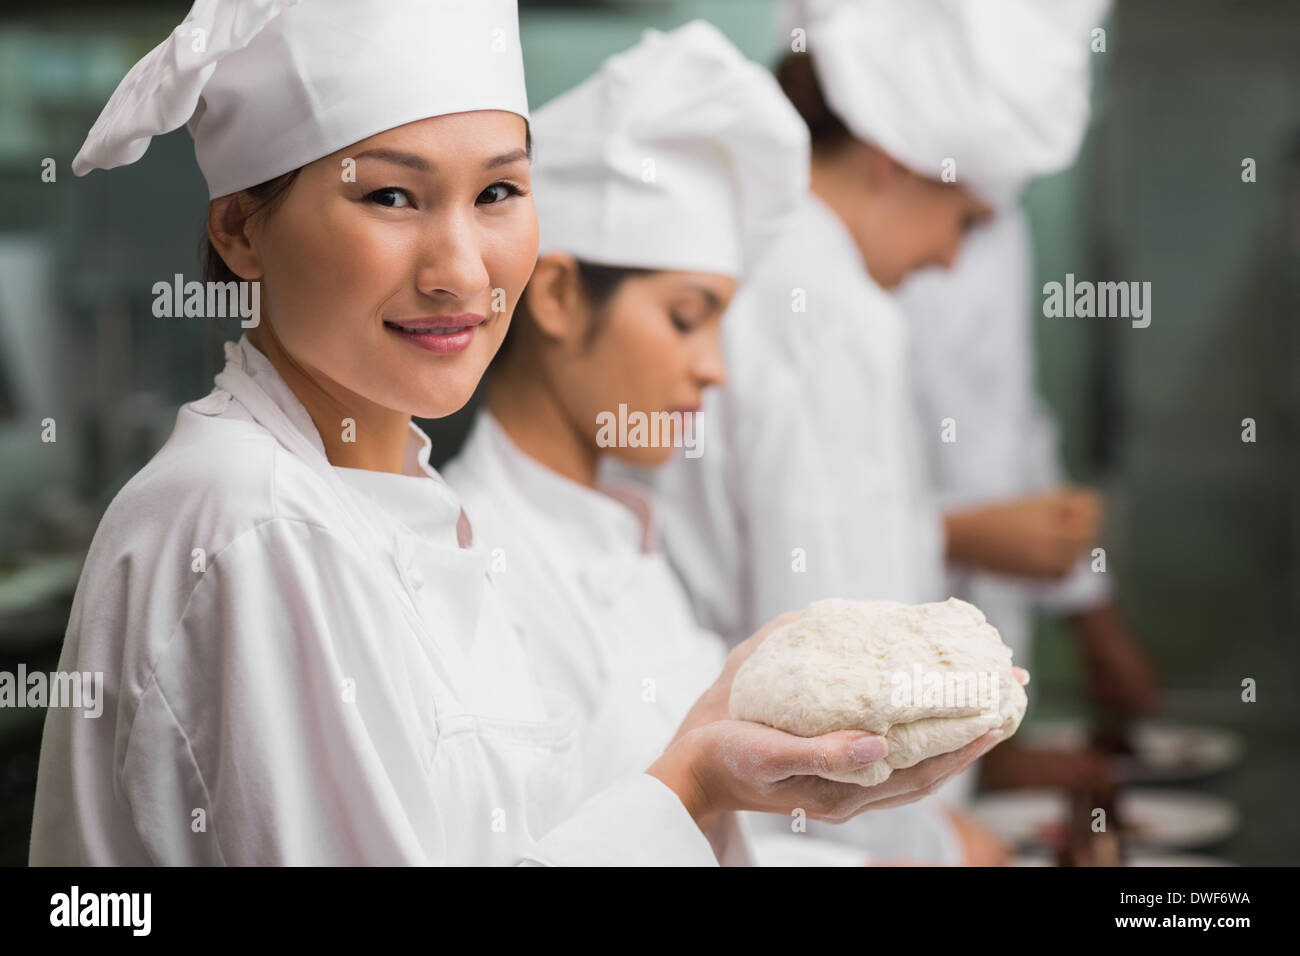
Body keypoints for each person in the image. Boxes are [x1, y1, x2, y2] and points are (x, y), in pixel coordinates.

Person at [28, 0, 1010, 866]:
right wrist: (696, 785)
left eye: (498, 191)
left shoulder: (400, 514)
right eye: (390, 196)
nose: (460, 268)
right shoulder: (253, 519)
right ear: (241, 230)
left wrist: (716, 766)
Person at [643, 0, 1111, 856]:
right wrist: (942, 848)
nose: (949, 260)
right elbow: (838, 706)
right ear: (893, 163)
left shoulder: (790, 273)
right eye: (964, 219)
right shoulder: (826, 310)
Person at [899, 206, 1160, 791]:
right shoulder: (818, 277)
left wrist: (1091, 608)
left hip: (973, 728)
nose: (952, 256)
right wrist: (955, 536)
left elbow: (1011, 421)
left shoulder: (999, 209)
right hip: (895, 762)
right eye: (966, 220)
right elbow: (810, 538)